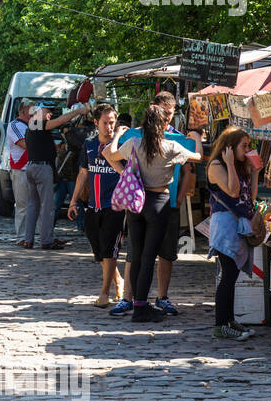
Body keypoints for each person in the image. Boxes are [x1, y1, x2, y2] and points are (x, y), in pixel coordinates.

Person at [104, 105, 201, 323]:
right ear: (164, 125)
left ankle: (136, 302)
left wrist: (118, 133)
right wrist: (196, 138)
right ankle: (140, 307)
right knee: (149, 257)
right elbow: (197, 157)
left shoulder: (134, 143)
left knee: (136, 255)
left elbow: (109, 153)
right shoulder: (171, 146)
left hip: (136, 203)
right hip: (159, 203)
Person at [68, 103, 125, 307]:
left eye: (112, 123)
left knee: (110, 249)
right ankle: (118, 279)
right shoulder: (89, 145)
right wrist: (73, 201)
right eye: (105, 123)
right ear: (96, 123)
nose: (110, 127)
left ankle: (104, 293)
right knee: (99, 250)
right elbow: (83, 173)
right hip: (93, 206)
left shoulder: (121, 145)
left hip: (115, 206)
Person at [205, 126, 259, 341]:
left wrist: (254, 172)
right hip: (225, 226)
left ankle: (228, 320)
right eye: (243, 146)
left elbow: (248, 196)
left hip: (238, 225)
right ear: (230, 147)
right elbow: (233, 191)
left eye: (248, 146)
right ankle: (220, 324)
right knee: (227, 275)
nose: (247, 150)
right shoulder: (217, 166)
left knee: (232, 275)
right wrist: (228, 162)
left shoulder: (238, 166)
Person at [21, 102, 88, 250]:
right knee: (47, 207)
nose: (50, 113)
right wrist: (78, 112)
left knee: (33, 205)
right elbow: (60, 121)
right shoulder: (38, 122)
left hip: (31, 167)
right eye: (47, 110)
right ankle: (46, 241)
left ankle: (28, 240)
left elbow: (40, 145)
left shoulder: (32, 126)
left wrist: (57, 148)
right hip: (42, 168)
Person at [6, 101, 32, 240]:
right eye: (31, 110)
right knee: (23, 205)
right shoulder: (14, 125)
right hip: (21, 169)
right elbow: (24, 145)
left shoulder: (33, 125)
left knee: (39, 205)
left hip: (34, 168)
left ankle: (40, 236)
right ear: (23, 111)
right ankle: (22, 237)